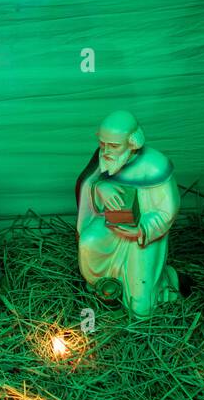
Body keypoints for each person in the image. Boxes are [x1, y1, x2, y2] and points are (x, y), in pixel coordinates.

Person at [76, 111, 180, 316]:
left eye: (114, 145)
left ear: (133, 142)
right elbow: (88, 188)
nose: (105, 150)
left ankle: (165, 281)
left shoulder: (155, 165)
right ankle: (104, 289)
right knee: (88, 242)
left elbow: (168, 209)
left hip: (144, 234)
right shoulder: (103, 157)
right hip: (111, 225)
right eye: (102, 143)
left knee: (140, 307)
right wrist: (99, 188)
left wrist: (141, 230)